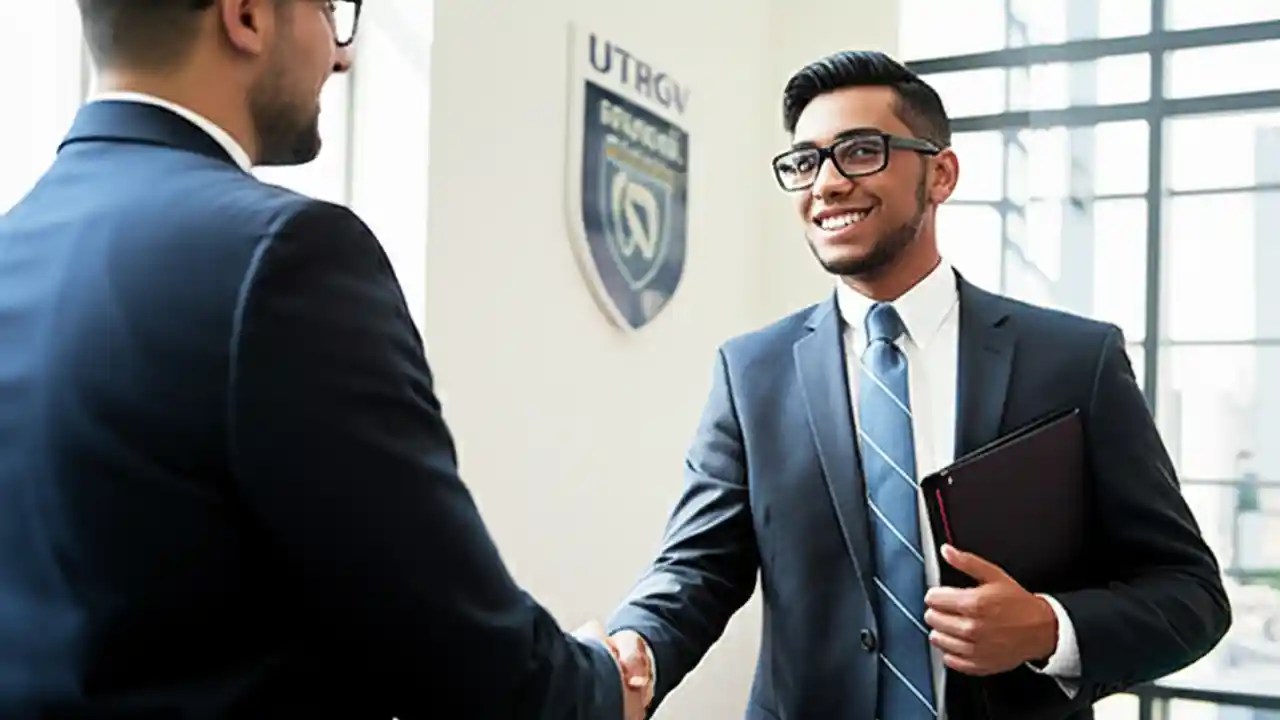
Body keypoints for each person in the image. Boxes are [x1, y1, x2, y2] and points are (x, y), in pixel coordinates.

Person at [0, 1, 648, 717]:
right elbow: (460, 652)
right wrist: (596, 685)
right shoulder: (284, 257)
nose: (343, 56)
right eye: (328, 11)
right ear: (245, 16)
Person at [599, 50, 1231, 719]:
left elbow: (1191, 595)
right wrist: (640, 644)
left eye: (861, 151)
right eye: (805, 162)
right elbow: (696, 568)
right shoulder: (751, 372)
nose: (828, 183)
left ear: (942, 174)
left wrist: (1049, 627)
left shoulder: (1076, 360)